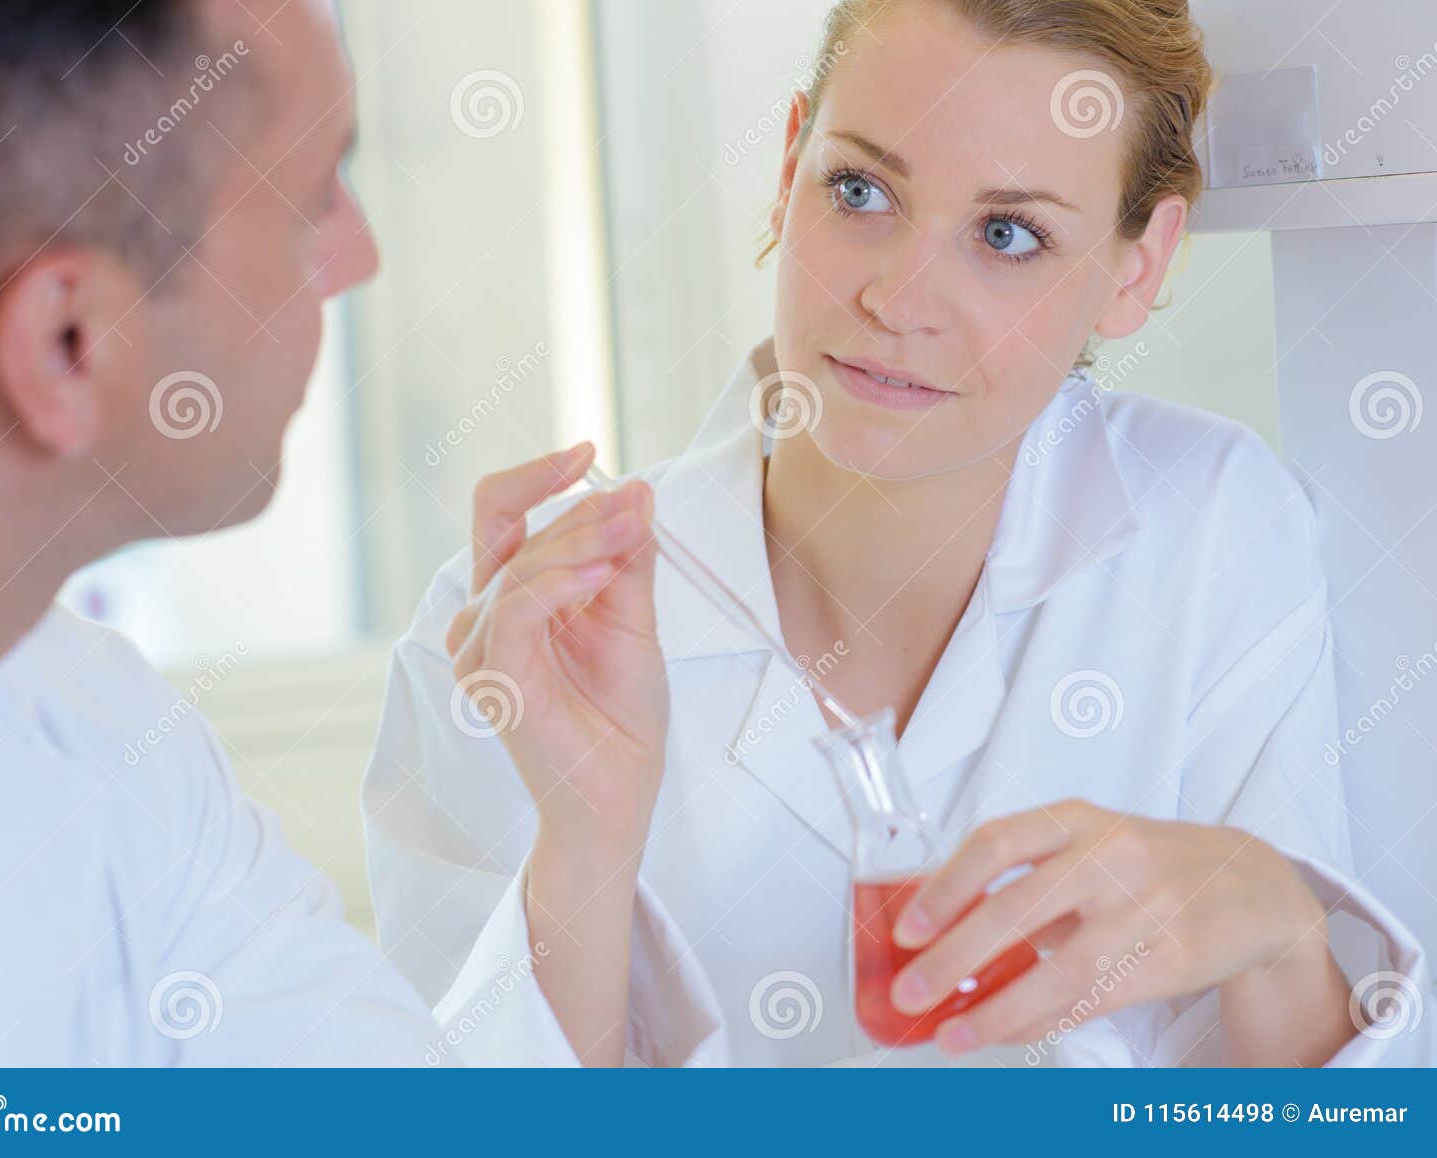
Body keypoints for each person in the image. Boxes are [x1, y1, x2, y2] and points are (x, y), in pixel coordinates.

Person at [365, 0, 1436, 1066]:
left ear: (1135, 267)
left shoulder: (1212, 535)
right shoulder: (521, 627)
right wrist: (585, 854)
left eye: (1008, 234)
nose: (897, 298)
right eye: (861, 190)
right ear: (790, 171)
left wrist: (1279, 931)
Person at [0, 0, 718, 1066]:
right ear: (68, 344)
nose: (360, 257)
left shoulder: (105, 745)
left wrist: (582, 838)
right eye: (310, 204)